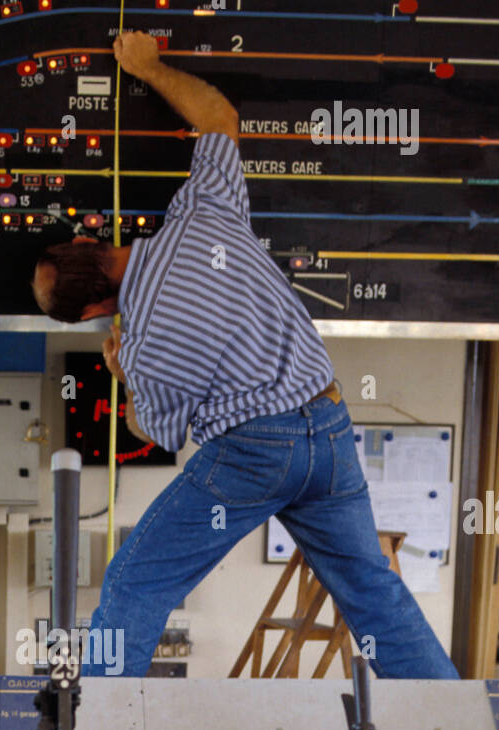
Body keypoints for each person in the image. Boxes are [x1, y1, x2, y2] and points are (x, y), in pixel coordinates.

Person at [32, 31, 458, 681]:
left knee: (135, 583)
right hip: (330, 430)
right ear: (95, 239)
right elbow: (219, 117)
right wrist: (147, 67)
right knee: (375, 594)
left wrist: (122, 378)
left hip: (253, 455)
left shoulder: (143, 346)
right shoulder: (203, 213)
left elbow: (158, 432)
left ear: (93, 312)